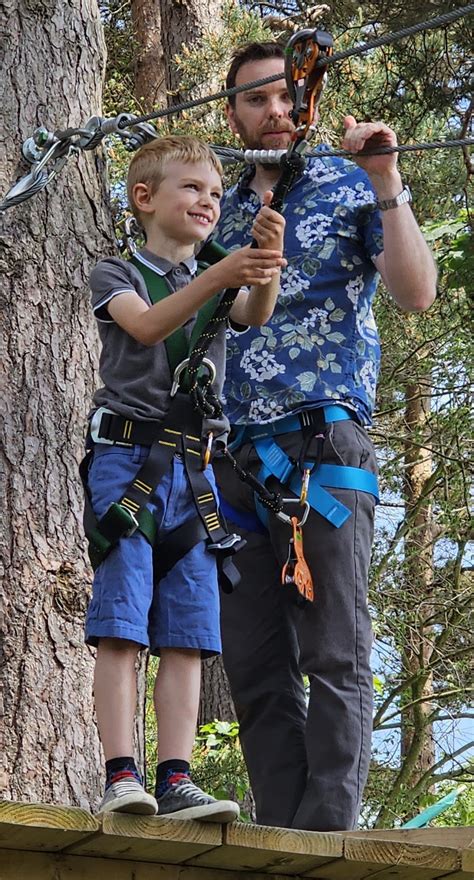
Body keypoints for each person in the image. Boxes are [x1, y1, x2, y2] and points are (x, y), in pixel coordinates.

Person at [212, 42, 437, 831]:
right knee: (254, 668)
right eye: (255, 100)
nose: (273, 111)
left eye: (284, 97)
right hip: (231, 461)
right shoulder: (220, 206)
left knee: (335, 648)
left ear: (303, 103)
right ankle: (281, 834)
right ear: (231, 113)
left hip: (321, 447)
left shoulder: (350, 183)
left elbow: (416, 292)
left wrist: (384, 179)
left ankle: (328, 837)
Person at [82, 134, 286, 819]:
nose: (207, 201)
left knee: (188, 634)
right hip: (130, 466)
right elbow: (144, 329)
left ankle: (175, 777)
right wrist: (221, 273)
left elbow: (254, 311)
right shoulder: (118, 274)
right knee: (121, 623)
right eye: (192, 188)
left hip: (194, 477)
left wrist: (265, 261)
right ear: (146, 198)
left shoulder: (215, 278)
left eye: (215, 192)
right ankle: (120, 774)